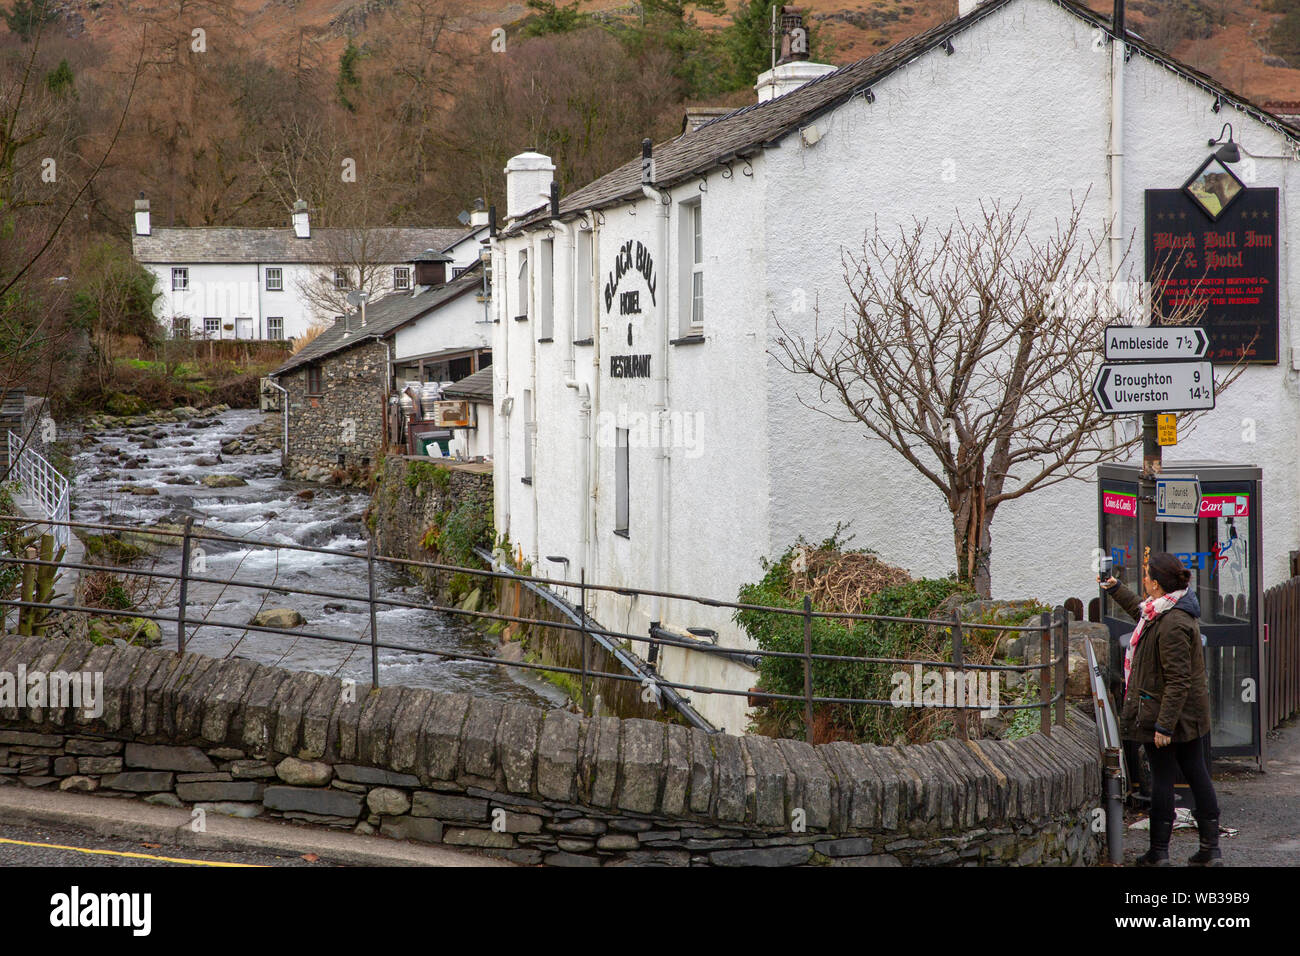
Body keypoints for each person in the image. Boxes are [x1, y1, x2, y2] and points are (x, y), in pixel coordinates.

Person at [1100, 553, 1221, 866]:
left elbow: (1178, 681)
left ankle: (1161, 853)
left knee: (1166, 778)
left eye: (1145, 576)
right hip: (1186, 713)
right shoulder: (1167, 609)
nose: (1142, 580)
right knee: (1196, 771)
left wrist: (1164, 727)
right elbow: (1141, 611)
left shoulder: (1172, 625)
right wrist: (1114, 588)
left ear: (1156, 584)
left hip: (1170, 715)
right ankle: (1209, 850)